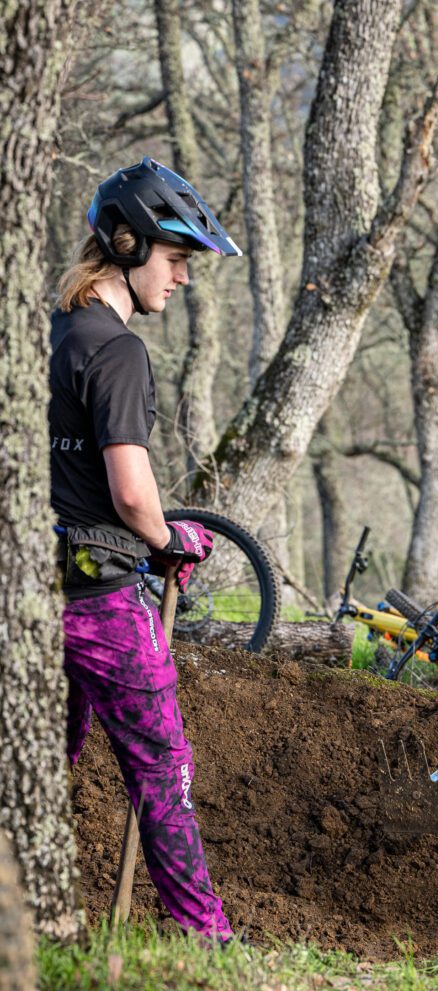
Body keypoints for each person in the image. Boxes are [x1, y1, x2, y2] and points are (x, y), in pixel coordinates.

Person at [51, 157, 242, 941]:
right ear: (128, 247)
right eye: (176, 260)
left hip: (30, 593)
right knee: (164, 775)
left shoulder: (54, 331)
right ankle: (208, 938)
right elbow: (132, 493)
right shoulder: (119, 351)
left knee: (35, 764)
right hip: (99, 601)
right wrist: (172, 541)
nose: (184, 279)